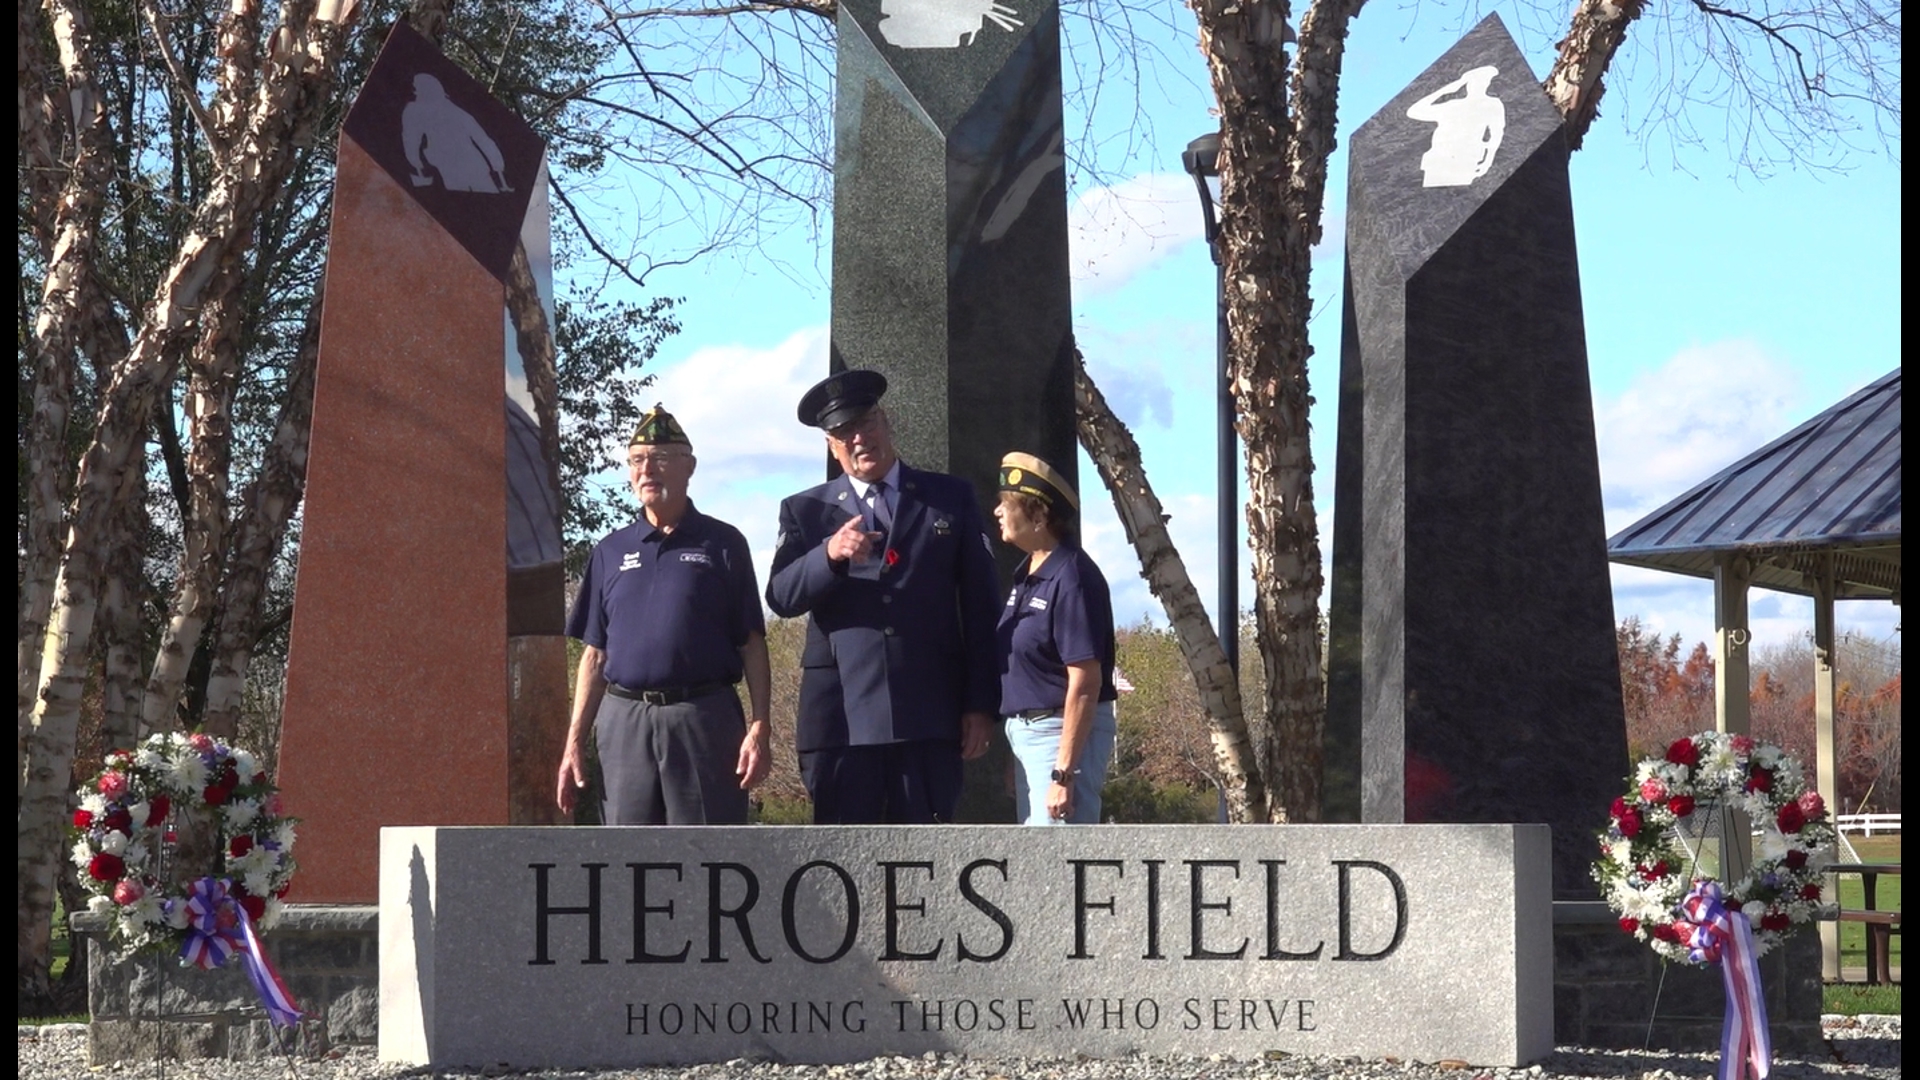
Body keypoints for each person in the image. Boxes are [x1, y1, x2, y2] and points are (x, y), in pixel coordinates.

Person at [766, 370, 1001, 823]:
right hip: (841, 722)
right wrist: (829, 555)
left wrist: (979, 704)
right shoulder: (805, 511)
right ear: (831, 445)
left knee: (926, 865)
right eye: (842, 432)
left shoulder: (949, 498)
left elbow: (980, 608)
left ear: (886, 421)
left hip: (929, 716)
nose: (859, 439)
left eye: (867, 423)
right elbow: (781, 596)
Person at [555, 405, 771, 824]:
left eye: (661, 457)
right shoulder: (610, 551)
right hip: (624, 723)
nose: (647, 469)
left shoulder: (723, 544)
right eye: (637, 460)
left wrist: (761, 726)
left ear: (689, 467)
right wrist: (573, 743)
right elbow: (594, 656)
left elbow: (752, 644)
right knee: (625, 859)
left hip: (703, 720)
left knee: (709, 859)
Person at [992, 452, 1118, 825]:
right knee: (1037, 867)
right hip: (1033, 737)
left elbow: (1084, 681)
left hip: (1059, 735)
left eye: (1006, 504)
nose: (997, 511)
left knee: (1057, 870)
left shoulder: (1072, 578)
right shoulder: (1030, 573)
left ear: (1039, 515)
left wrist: (1062, 773)